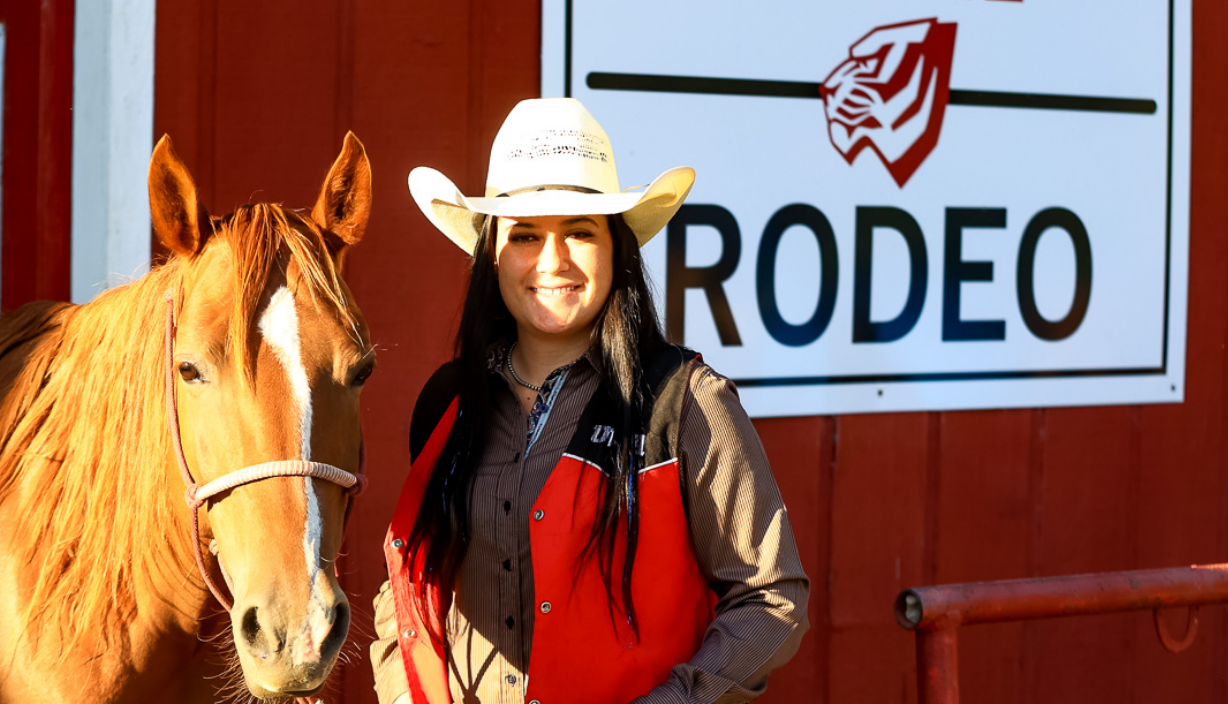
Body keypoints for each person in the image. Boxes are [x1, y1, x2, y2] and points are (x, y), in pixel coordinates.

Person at [371, 97, 809, 704]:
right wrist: (402, 695)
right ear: (491, 255)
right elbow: (408, 586)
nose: (552, 261)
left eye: (579, 230)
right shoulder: (447, 404)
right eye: (525, 234)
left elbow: (772, 598)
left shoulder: (685, 404)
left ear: (615, 249)